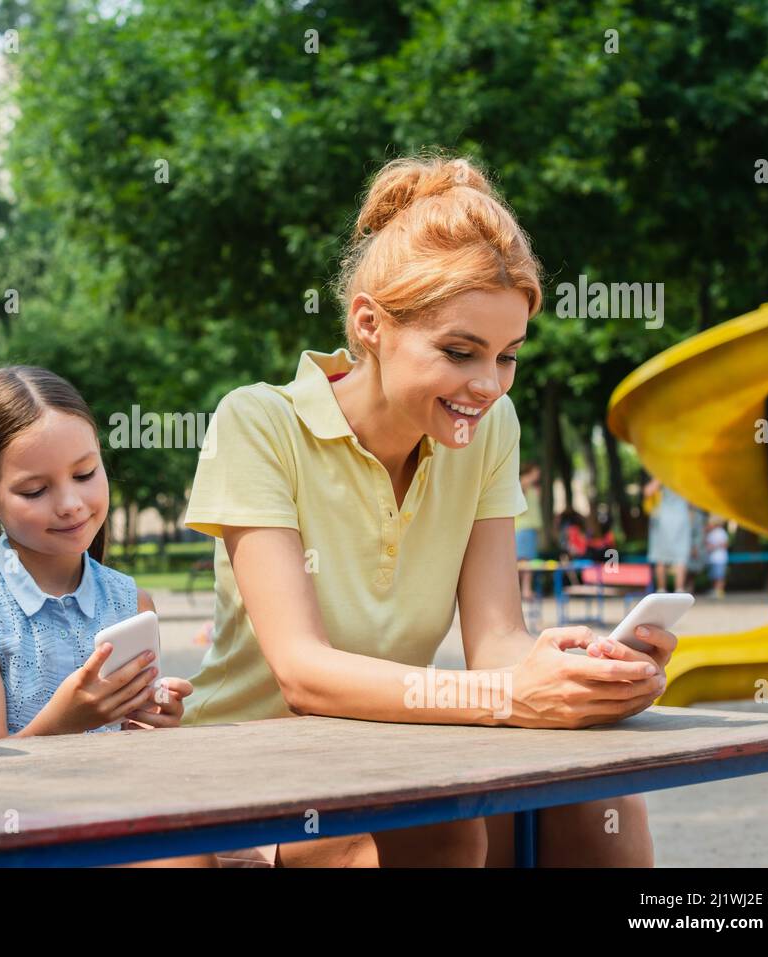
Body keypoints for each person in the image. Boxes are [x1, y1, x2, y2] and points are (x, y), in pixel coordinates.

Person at [180, 154, 678, 867]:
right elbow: (304, 673)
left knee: (597, 801)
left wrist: (573, 666)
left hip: (391, 755)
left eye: (507, 356)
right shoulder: (257, 423)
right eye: (459, 350)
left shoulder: (487, 430)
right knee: (436, 834)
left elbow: (498, 640)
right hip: (247, 774)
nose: (487, 384)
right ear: (370, 324)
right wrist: (509, 695)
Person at [0, 366, 210, 867]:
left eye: (84, 474)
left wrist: (157, 720)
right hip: (19, 838)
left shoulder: (132, 601)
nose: (72, 504)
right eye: (35, 491)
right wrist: (67, 722)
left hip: (117, 820)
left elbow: (138, 759)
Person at [645, 476, 692, 593]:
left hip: (664, 519)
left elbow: (648, 491)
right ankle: (679, 589)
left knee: (660, 556)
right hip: (682, 518)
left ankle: (661, 589)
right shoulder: (685, 477)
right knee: (681, 557)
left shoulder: (665, 473)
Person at [515, 463, 544, 600]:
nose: (537, 476)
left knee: (527, 562)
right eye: (535, 472)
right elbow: (522, 485)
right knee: (523, 561)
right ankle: (524, 590)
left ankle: (524, 589)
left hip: (530, 528)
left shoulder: (533, 488)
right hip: (523, 527)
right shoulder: (522, 483)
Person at [706, 516, 730, 598]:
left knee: (720, 576)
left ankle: (719, 591)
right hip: (712, 559)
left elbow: (725, 544)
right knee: (714, 576)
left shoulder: (721, 532)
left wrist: (715, 546)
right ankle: (715, 589)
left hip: (720, 559)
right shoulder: (711, 533)